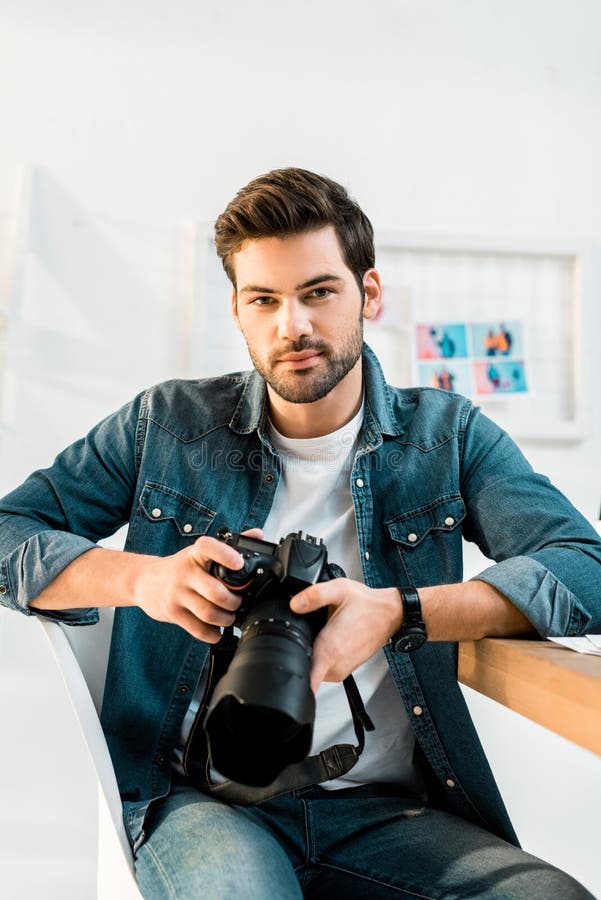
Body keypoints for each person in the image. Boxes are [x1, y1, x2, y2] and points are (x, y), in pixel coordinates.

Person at [0, 167, 599, 899]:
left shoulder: (447, 438)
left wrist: (399, 613)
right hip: (200, 802)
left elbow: (584, 566)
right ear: (238, 310)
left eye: (318, 292)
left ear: (366, 294)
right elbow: (8, 531)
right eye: (264, 300)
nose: (294, 326)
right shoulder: (167, 425)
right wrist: (142, 579)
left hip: (391, 809)